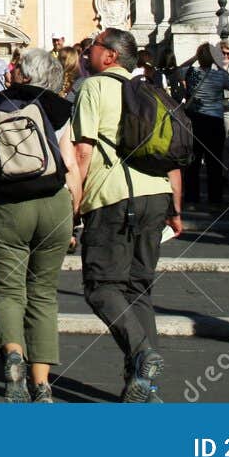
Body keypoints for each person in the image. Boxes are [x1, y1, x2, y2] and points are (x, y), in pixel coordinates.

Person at [72, 27, 184, 402]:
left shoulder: (93, 88)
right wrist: (176, 208)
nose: (88, 52)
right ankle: (144, 388)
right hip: (156, 194)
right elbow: (172, 158)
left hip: (113, 197)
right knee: (139, 291)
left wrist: (75, 203)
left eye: (93, 46)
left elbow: (84, 151)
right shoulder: (151, 89)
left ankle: (142, 354)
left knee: (102, 287)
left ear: (110, 56)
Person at [0, 47, 83, 402]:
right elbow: (73, 165)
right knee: (44, 295)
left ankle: (14, 360)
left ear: (24, 75)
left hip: (9, 204)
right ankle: (42, 385)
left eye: (17, 66)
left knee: (7, 291)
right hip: (54, 204)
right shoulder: (62, 109)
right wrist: (73, 212)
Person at [182, 43, 229, 206]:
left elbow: (178, 69)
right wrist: (218, 64)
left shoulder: (190, 72)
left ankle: (192, 198)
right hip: (215, 122)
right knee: (215, 162)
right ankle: (215, 200)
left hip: (195, 121)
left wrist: (194, 58)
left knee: (193, 162)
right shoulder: (221, 75)